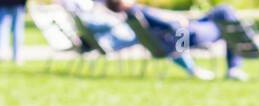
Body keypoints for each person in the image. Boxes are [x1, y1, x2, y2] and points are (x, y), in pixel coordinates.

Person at [104, 0, 246, 79]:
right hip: (191, 33)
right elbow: (172, 25)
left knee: (222, 12)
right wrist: (180, 24)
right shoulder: (138, 10)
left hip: (187, 31)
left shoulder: (131, 17)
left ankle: (234, 69)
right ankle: (234, 68)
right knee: (226, 19)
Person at [62, 0, 137, 53]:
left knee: (113, 26)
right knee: (113, 24)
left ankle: (84, 42)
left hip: (95, 31)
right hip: (105, 35)